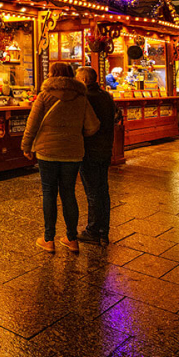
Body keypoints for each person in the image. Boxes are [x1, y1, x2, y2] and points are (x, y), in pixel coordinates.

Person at [21, 62, 100, 254]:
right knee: (68, 193)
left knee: (49, 193)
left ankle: (49, 239)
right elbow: (92, 126)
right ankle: (72, 239)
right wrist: (74, 134)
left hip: (47, 152)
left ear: (52, 75)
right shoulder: (81, 97)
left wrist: (26, 145)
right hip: (73, 153)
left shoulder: (44, 95)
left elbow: (32, 123)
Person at [75, 67, 116, 245]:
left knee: (92, 191)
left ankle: (93, 230)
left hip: (89, 150)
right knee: (103, 190)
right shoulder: (106, 96)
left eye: (77, 77)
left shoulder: (84, 99)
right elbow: (117, 116)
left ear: (83, 80)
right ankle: (104, 232)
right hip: (105, 149)